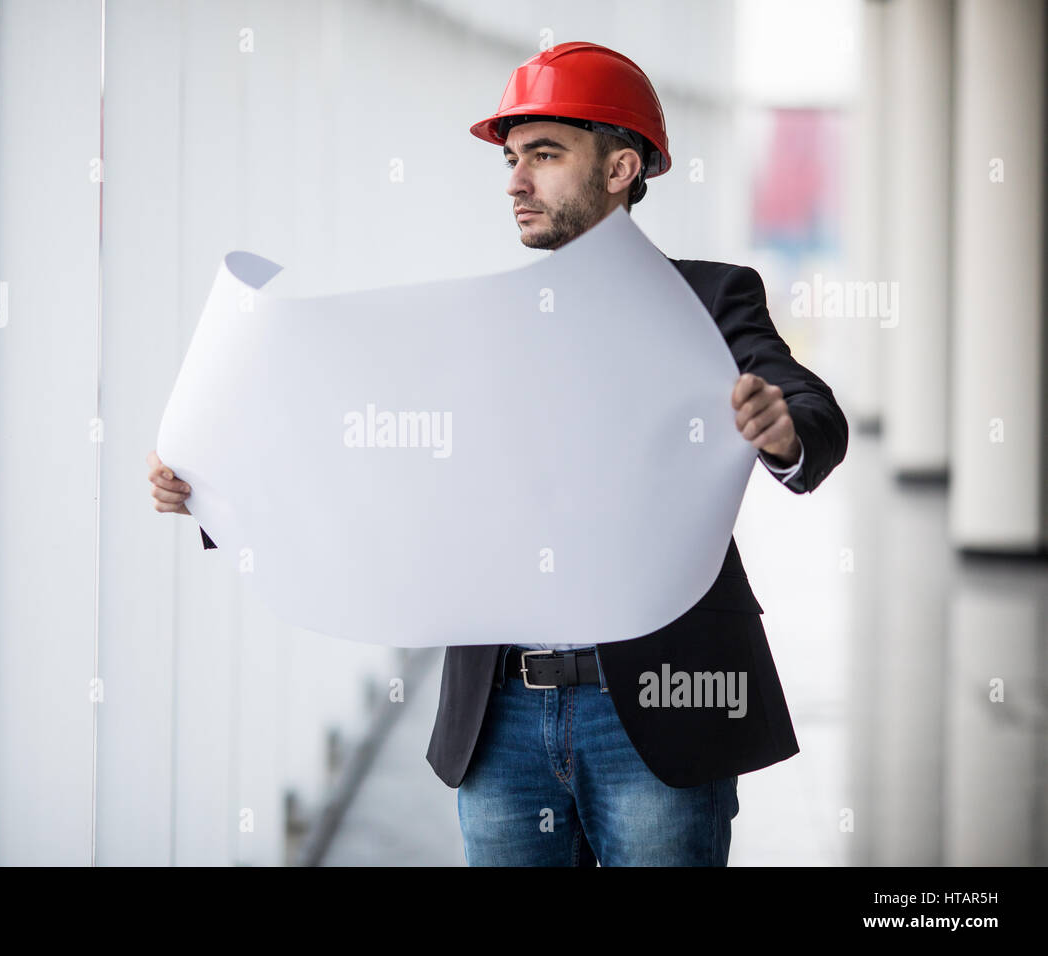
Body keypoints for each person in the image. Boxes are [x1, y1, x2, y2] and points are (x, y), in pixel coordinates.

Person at [148, 40, 848, 867]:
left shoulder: (710, 297)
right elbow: (369, 462)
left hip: (658, 710)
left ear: (622, 167)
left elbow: (810, 409)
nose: (515, 180)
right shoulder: (488, 324)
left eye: (544, 155)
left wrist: (782, 431)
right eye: (512, 159)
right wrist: (216, 492)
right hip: (501, 719)